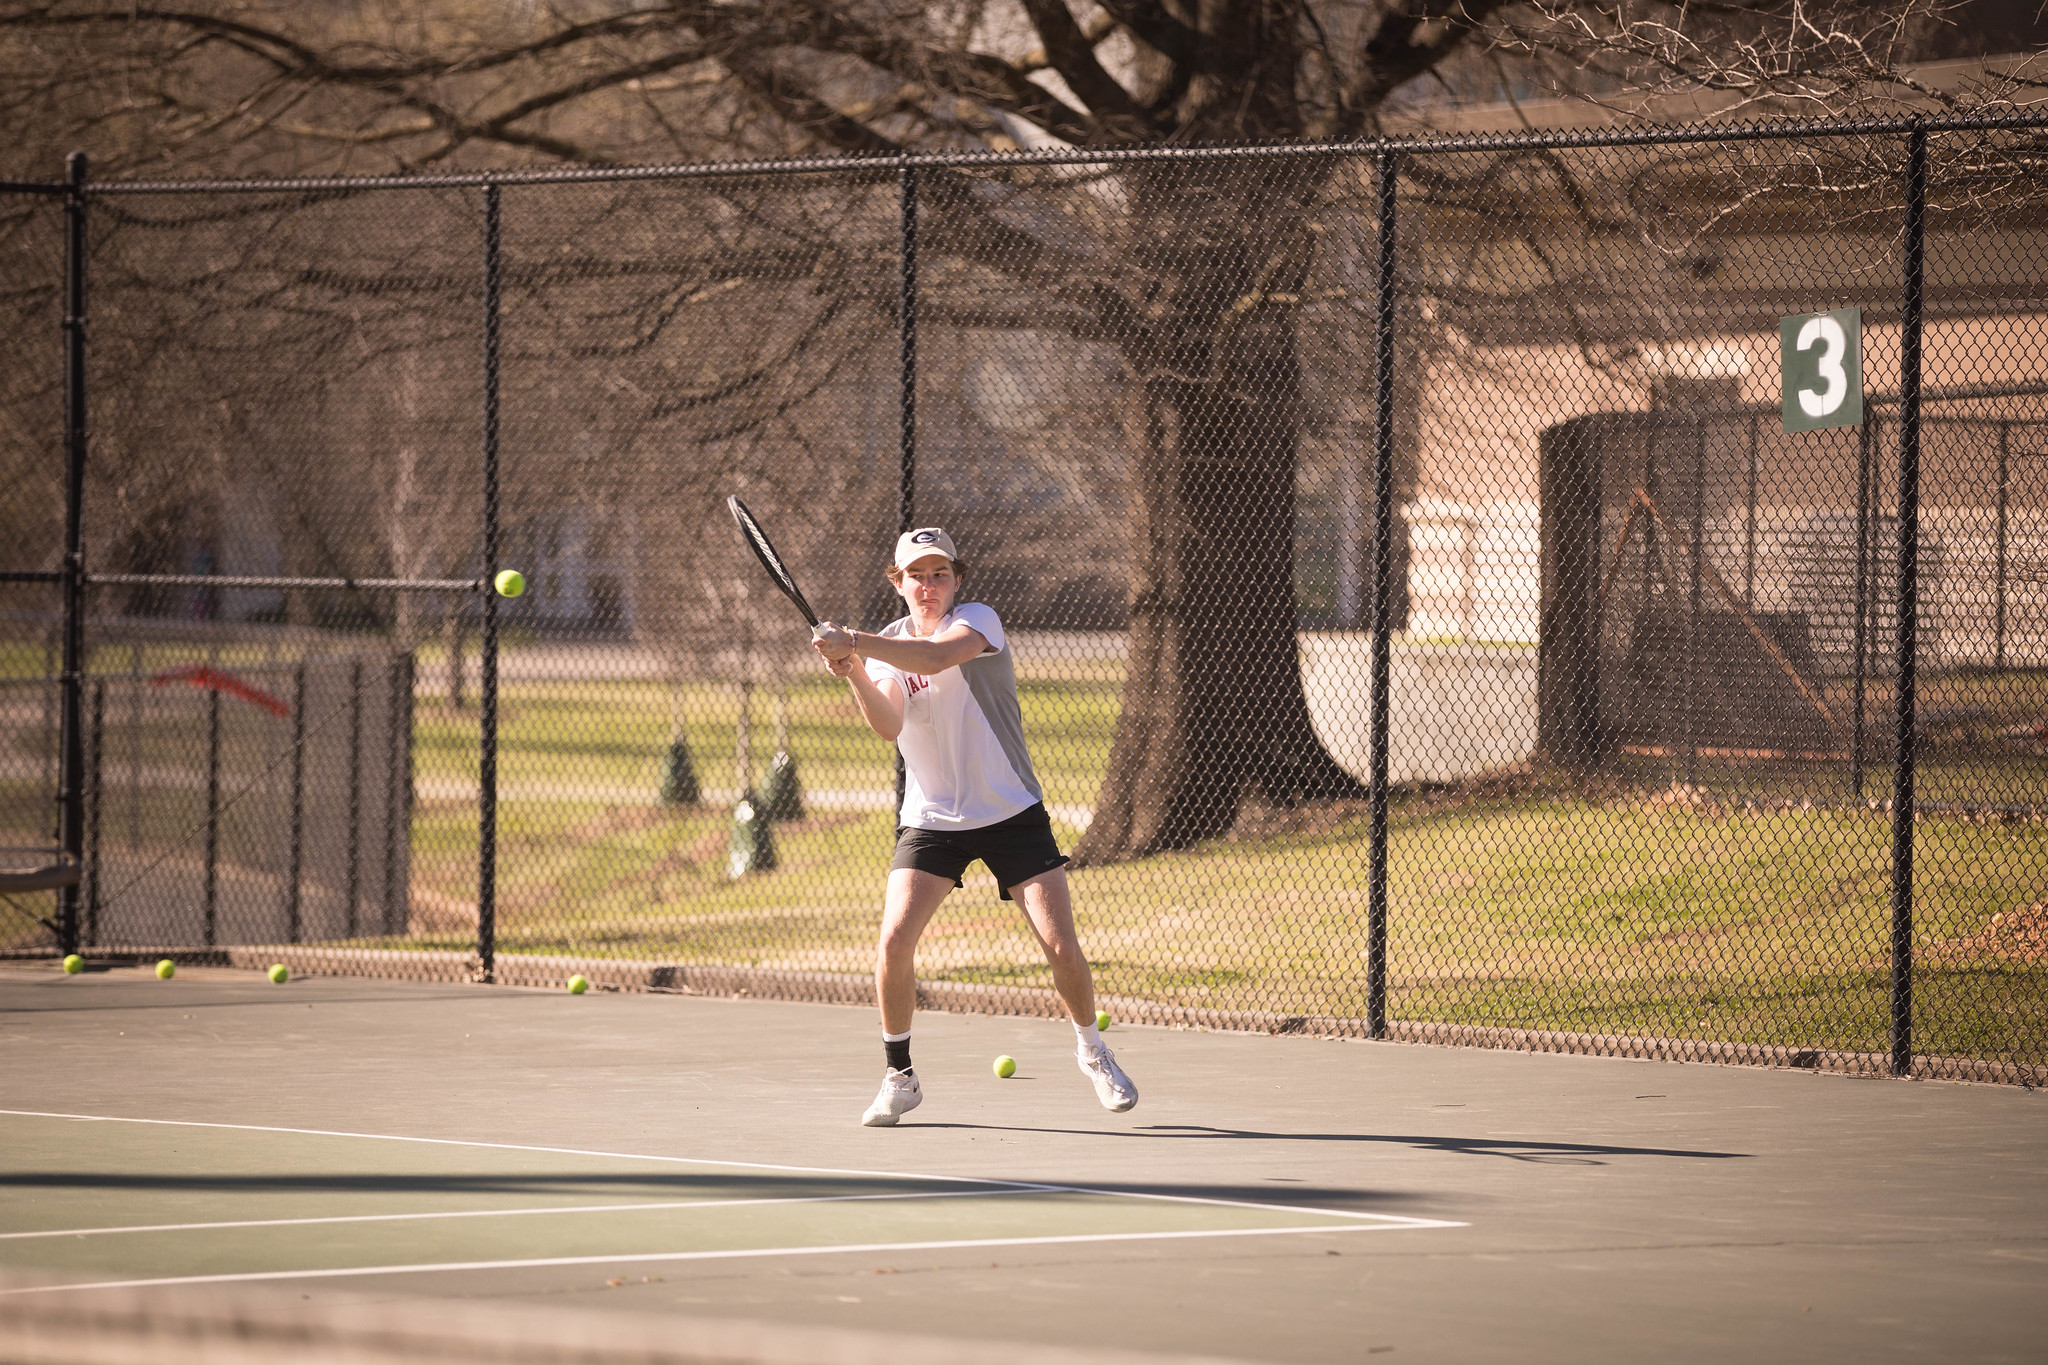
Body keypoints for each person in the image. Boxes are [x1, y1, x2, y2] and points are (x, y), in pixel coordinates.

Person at [811, 527, 1138, 1127]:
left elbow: (936, 658)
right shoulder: (887, 643)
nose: (929, 586)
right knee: (892, 943)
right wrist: (855, 667)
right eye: (917, 575)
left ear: (957, 580)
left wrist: (852, 642)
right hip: (932, 818)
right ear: (898, 582)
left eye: (940, 574)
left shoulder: (979, 621)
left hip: (1011, 809)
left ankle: (1093, 1051)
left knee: (1060, 946)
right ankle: (898, 1076)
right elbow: (887, 724)